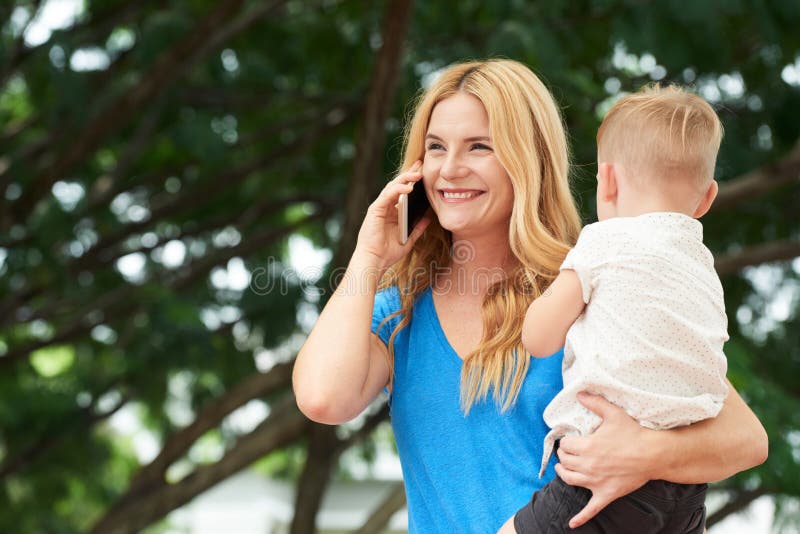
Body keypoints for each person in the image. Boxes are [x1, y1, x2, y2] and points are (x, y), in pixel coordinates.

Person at [292, 59, 768, 533]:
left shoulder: (591, 279)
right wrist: (369, 255)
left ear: (527, 158)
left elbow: (746, 439)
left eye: (479, 147)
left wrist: (647, 452)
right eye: (436, 148)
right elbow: (323, 399)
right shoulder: (399, 309)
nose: (451, 169)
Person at [503, 85, 733, 534]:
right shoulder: (701, 264)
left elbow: (538, 338)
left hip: (602, 470)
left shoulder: (603, 242)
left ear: (606, 180)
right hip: (687, 491)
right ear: (707, 198)